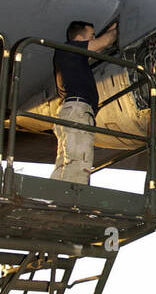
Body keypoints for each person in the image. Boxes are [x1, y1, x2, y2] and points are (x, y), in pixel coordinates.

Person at [50, 18, 118, 183]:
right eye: (92, 36)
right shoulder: (70, 50)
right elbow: (105, 42)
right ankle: (73, 201)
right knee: (80, 162)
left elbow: (99, 48)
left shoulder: (71, 56)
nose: (94, 39)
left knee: (67, 162)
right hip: (77, 111)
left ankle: (55, 199)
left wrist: (110, 29)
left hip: (72, 111)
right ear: (80, 40)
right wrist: (119, 27)